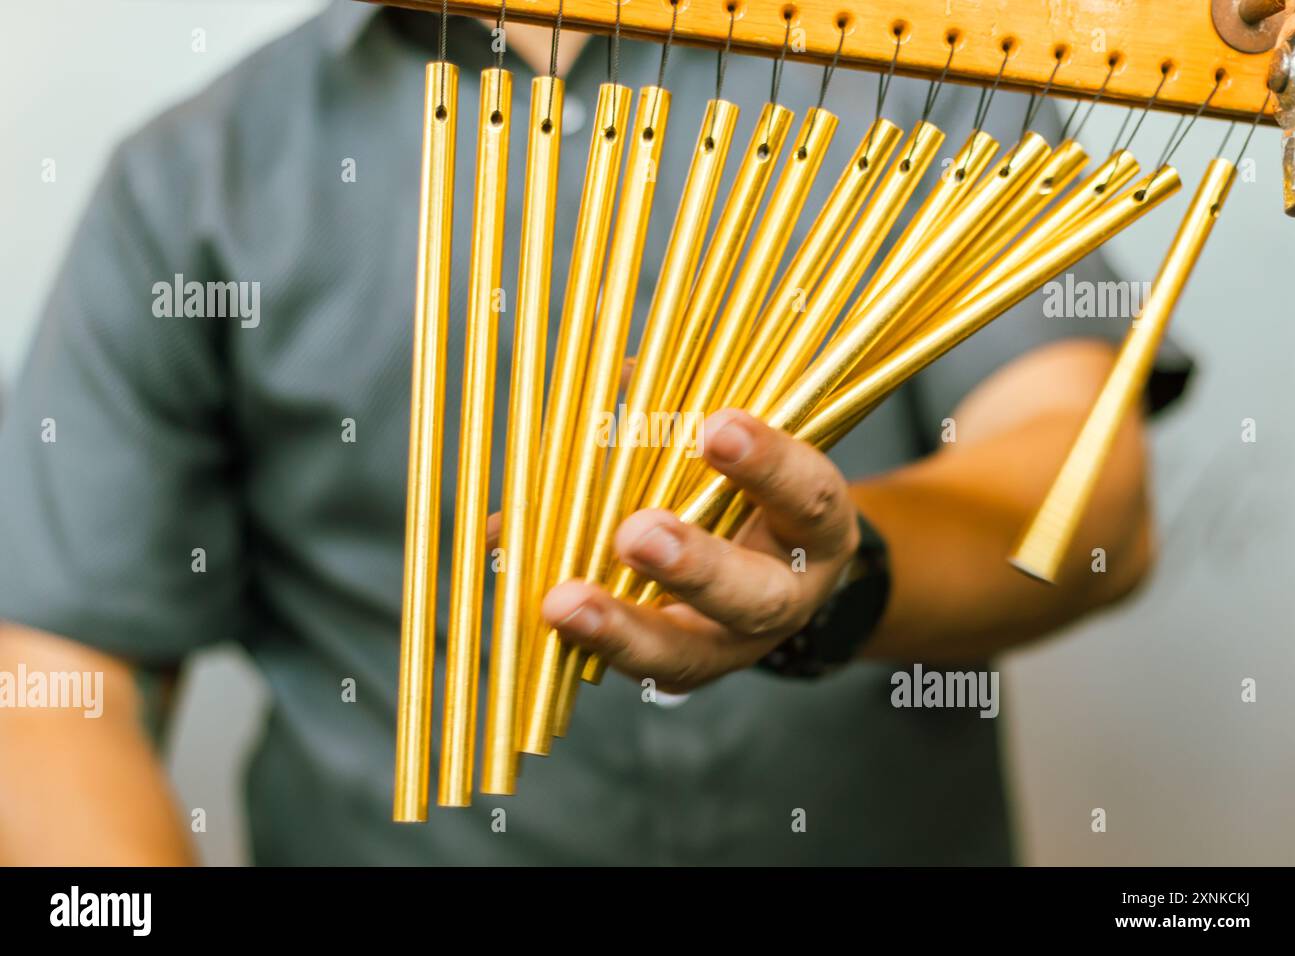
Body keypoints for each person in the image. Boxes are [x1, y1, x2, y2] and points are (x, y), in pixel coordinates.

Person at [0, 3, 1187, 865]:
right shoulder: (191, 181)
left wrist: (841, 577)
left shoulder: (922, 63)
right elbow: (58, 676)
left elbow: (1089, 499)